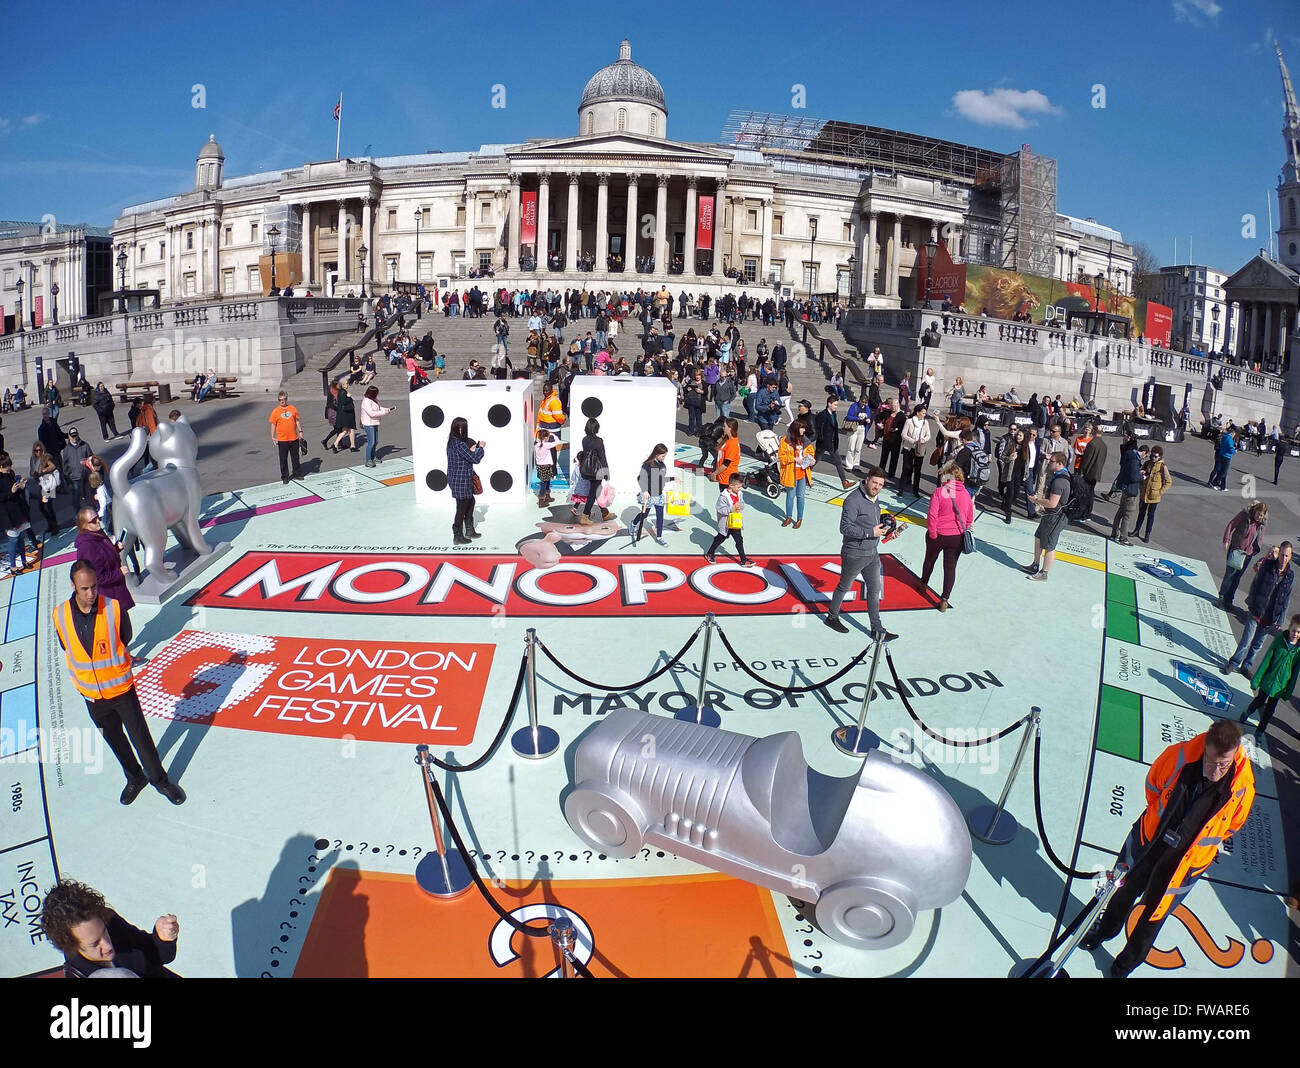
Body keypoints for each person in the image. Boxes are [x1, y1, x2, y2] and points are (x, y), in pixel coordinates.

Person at [1079, 720, 1254, 978]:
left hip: (1184, 865)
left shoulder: (1242, 789)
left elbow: (1232, 826)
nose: (1216, 771)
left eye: (1223, 765)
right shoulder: (1179, 755)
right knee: (1122, 890)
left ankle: (1123, 967)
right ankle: (1105, 930)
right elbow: (1153, 786)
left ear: (1235, 754)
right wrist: (1156, 823)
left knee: (1153, 918)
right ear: (1205, 745)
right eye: (1211, 762)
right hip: (1148, 842)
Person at [54, 559, 185, 805]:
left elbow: (124, 638)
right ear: (73, 586)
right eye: (85, 588)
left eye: (94, 587)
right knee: (115, 740)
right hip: (92, 696)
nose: (91, 593)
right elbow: (67, 647)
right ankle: (135, 777)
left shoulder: (114, 608)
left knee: (140, 738)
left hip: (121, 690)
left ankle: (160, 781)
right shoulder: (59, 615)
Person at [40, 879, 180, 978]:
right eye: (95, 944)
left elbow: (157, 957)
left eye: (104, 932)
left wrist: (163, 939)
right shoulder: (80, 975)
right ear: (72, 946)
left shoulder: (111, 922)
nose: (107, 945)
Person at [824, 467, 895, 639]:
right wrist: (870, 533)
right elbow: (845, 528)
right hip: (854, 553)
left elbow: (873, 522)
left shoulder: (874, 498)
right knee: (844, 586)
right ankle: (832, 617)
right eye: (874, 482)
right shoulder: (853, 500)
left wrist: (890, 532)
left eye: (880, 484)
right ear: (867, 479)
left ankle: (877, 628)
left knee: (874, 589)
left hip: (872, 553)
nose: (877, 487)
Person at [1221, 542, 1293, 676]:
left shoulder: (1290, 576)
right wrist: (1251, 601)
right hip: (1256, 610)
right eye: (1282, 555)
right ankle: (1234, 663)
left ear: (1290, 557)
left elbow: (1286, 599)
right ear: (1279, 555)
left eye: (1287, 556)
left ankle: (1246, 666)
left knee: (1257, 645)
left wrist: (1281, 620)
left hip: (1270, 617)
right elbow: (1256, 583)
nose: (1283, 559)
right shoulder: (1268, 565)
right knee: (1246, 640)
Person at [921, 464, 974, 612]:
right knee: (950, 568)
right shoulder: (966, 494)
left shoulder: (940, 492)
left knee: (929, 560)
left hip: (939, 534)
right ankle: (944, 599)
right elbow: (969, 518)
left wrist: (932, 533)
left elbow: (932, 515)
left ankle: (923, 583)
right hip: (957, 537)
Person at [1240, 613, 1300, 734]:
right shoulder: (1279, 641)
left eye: (1299, 632)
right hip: (1268, 681)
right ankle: (1248, 711)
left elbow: (1295, 673)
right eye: (1294, 630)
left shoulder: (1298, 651)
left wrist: (1288, 690)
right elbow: (1267, 660)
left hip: (1280, 686)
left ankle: (1260, 731)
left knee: (1269, 711)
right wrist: (1257, 679)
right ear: (1289, 628)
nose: (1295, 634)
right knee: (1259, 701)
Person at [1022, 451, 1071, 581]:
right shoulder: (1062, 475)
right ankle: (1035, 565)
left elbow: (1052, 503)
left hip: (1055, 516)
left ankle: (1044, 573)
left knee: (1049, 546)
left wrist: (1036, 500)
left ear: (1060, 463)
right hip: (1050, 515)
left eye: (1052, 461)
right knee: (1038, 538)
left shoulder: (1059, 481)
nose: (1049, 463)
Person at [1219, 501, 1268, 609]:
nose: (1259, 517)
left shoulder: (1261, 524)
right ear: (1254, 510)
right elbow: (1231, 524)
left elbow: (1260, 537)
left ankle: (1229, 599)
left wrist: (1254, 549)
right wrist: (1226, 540)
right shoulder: (1244, 515)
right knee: (1229, 575)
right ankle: (1222, 597)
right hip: (1236, 549)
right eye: (1258, 514)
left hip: (1247, 554)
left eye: (1261, 515)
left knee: (1237, 577)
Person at [703, 472, 756, 567]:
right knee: (721, 538)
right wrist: (732, 508)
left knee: (739, 540)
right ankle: (710, 553)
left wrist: (741, 507)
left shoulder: (740, 494)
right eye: (738, 487)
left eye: (740, 487)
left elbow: (742, 503)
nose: (740, 489)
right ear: (731, 485)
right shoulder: (723, 496)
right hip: (726, 523)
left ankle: (743, 559)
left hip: (735, 521)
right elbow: (720, 509)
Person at [446, 416, 484, 545]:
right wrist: (480, 448)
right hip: (461, 480)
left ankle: (469, 530)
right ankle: (458, 534)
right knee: (461, 508)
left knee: (470, 502)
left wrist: (471, 450)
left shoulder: (452, 441)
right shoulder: (459, 444)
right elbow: (475, 459)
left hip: (457, 479)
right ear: (460, 428)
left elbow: (465, 456)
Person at [0, 453, 39, 575]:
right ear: (1, 466)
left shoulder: (10, 474)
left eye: (10, 466)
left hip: (17, 509)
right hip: (7, 514)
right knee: (13, 540)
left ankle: (23, 560)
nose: (9, 469)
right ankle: (13, 566)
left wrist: (21, 486)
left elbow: (15, 489)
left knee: (21, 537)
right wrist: (11, 492)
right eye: (7, 467)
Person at [632, 444, 675, 546]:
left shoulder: (662, 465)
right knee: (645, 514)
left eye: (665, 456)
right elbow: (640, 478)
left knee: (660, 516)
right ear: (656, 454)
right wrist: (645, 491)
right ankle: (633, 524)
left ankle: (659, 538)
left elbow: (661, 479)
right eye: (662, 456)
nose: (664, 458)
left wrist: (673, 478)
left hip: (659, 495)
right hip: (649, 495)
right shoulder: (648, 465)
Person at [574, 417, 614, 526]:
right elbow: (602, 457)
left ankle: (605, 512)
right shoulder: (599, 441)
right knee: (593, 493)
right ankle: (585, 516)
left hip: (587, 470)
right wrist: (606, 472)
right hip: (597, 471)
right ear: (597, 428)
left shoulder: (584, 439)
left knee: (597, 491)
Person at [1129, 445, 1171, 543]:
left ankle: (1147, 534)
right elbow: (1139, 475)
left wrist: (1160, 492)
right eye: (1151, 456)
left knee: (1150, 515)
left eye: (1155, 456)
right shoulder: (1147, 463)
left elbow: (1168, 482)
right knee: (1141, 513)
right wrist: (1141, 483)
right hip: (1144, 494)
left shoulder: (1162, 467)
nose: (1152, 458)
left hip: (1154, 496)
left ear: (1160, 457)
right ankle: (1136, 530)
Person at [778, 420, 816, 529]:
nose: (804, 430)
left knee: (801, 497)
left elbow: (811, 453)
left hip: (802, 474)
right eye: (802, 428)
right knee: (790, 496)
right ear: (796, 428)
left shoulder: (805, 441)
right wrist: (794, 459)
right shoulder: (785, 441)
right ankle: (788, 517)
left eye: (804, 428)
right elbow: (781, 457)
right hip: (791, 474)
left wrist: (811, 459)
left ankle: (799, 519)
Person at [813, 397, 855, 490]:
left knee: (838, 461)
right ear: (829, 404)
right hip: (823, 443)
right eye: (835, 404)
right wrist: (821, 437)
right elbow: (817, 428)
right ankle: (805, 474)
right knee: (816, 459)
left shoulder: (834, 414)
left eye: (837, 405)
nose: (836, 407)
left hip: (832, 443)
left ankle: (844, 482)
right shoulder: (822, 415)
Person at [1109, 437, 1143, 546]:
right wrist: (1142, 476)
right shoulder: (1134, 459)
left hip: (1123, 487)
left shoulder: (1126, 455)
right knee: (1127, 515)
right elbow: (1134, 477)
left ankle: (1114, 533)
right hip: (1131, 489)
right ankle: (1123, 537)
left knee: (1120, 511)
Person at [995, 426, 1030, 523]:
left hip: (1019, 474)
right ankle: (1008, 513)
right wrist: (1010, 458)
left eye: (1020, 435)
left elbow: (1027, 463)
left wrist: (1026, 474)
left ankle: (1005, 503)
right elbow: (1002, 456)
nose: (1018, 437)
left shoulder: (1026, 448)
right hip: (1010, 473)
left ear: (1024, 437)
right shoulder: (1011, 445)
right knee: (1010, 493)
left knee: (1016, 494)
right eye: (1017, 435)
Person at [269, 391, 303, 484]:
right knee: (283, 459)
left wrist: (300, 431)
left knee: (295, 457)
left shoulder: (292, 409)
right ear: (278, 400)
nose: (282, 402)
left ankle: (296, 473)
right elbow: (273, 425)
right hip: (282, 439)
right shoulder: (275, 411)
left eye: (284, 399)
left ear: (287, 399)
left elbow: (297, 421)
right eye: (280, 400)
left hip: (293, 438)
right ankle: (285, 476)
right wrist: (272, 436)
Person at [900, 403, 932, 497]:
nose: (924, 415)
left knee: (918, 470)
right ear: (917, 413)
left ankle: (915, 491)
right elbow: (903, 434)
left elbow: (928, 435)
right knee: (906, 468)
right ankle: (901, 489)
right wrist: (912, 440)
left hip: (920, 448)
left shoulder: (925, 422)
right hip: (908, 448)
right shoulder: (909, 421)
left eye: (925, 413)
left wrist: (923, 440)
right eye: (923, 413)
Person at [359, 386, 393, 469]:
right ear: (372, 394)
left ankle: (373, 457)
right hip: (368, 423)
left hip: (374, 422)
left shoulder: (373, 399)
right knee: (372, 442)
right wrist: (384, 412)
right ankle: (368, 460)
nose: (377, 394)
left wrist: (387, 409)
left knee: (375, 441)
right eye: (376, 393)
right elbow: (372, 413)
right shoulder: (366, 401)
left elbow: (378, 408)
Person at [62, 427, 94, 506]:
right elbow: (65, 465)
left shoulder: (85, 445)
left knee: (89, 498)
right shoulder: (66, 449)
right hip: (74, 478)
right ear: (69, 436)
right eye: (72, 436)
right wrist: (68, 480)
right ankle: (77, 515)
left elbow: (92, 458)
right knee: (76, 500)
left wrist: (87, 462)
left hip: (86, 477)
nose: (74, 438)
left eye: (75, 436)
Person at [534, 427, 561, 508]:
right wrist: (553, 435)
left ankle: (547, 496)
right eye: (548, 437)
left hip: (540, 466)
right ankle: (541, 500)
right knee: (544, 483)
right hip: (546, 466)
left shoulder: (536, 444)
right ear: (545, 438)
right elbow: (558, 442)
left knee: (546, 481)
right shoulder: (546, 445)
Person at [713, 418, 741, 487]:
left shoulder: (732, 444)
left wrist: (715, 473)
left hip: (727, 478)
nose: (723, 428)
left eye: (725, 426)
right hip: (723, 476)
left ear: (730, 428)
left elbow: (726, 464)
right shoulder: (728, 440)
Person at [332, 382, 358, 453]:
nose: (348, 384)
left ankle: (336, 444)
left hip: (343, 414)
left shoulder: (341, 391)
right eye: (346, 383)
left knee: (347, 430)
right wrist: (349, 397)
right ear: (343, 385)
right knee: (349, 430)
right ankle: (351, 446)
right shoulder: (343, 392)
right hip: (346, 414)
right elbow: (344, 401)